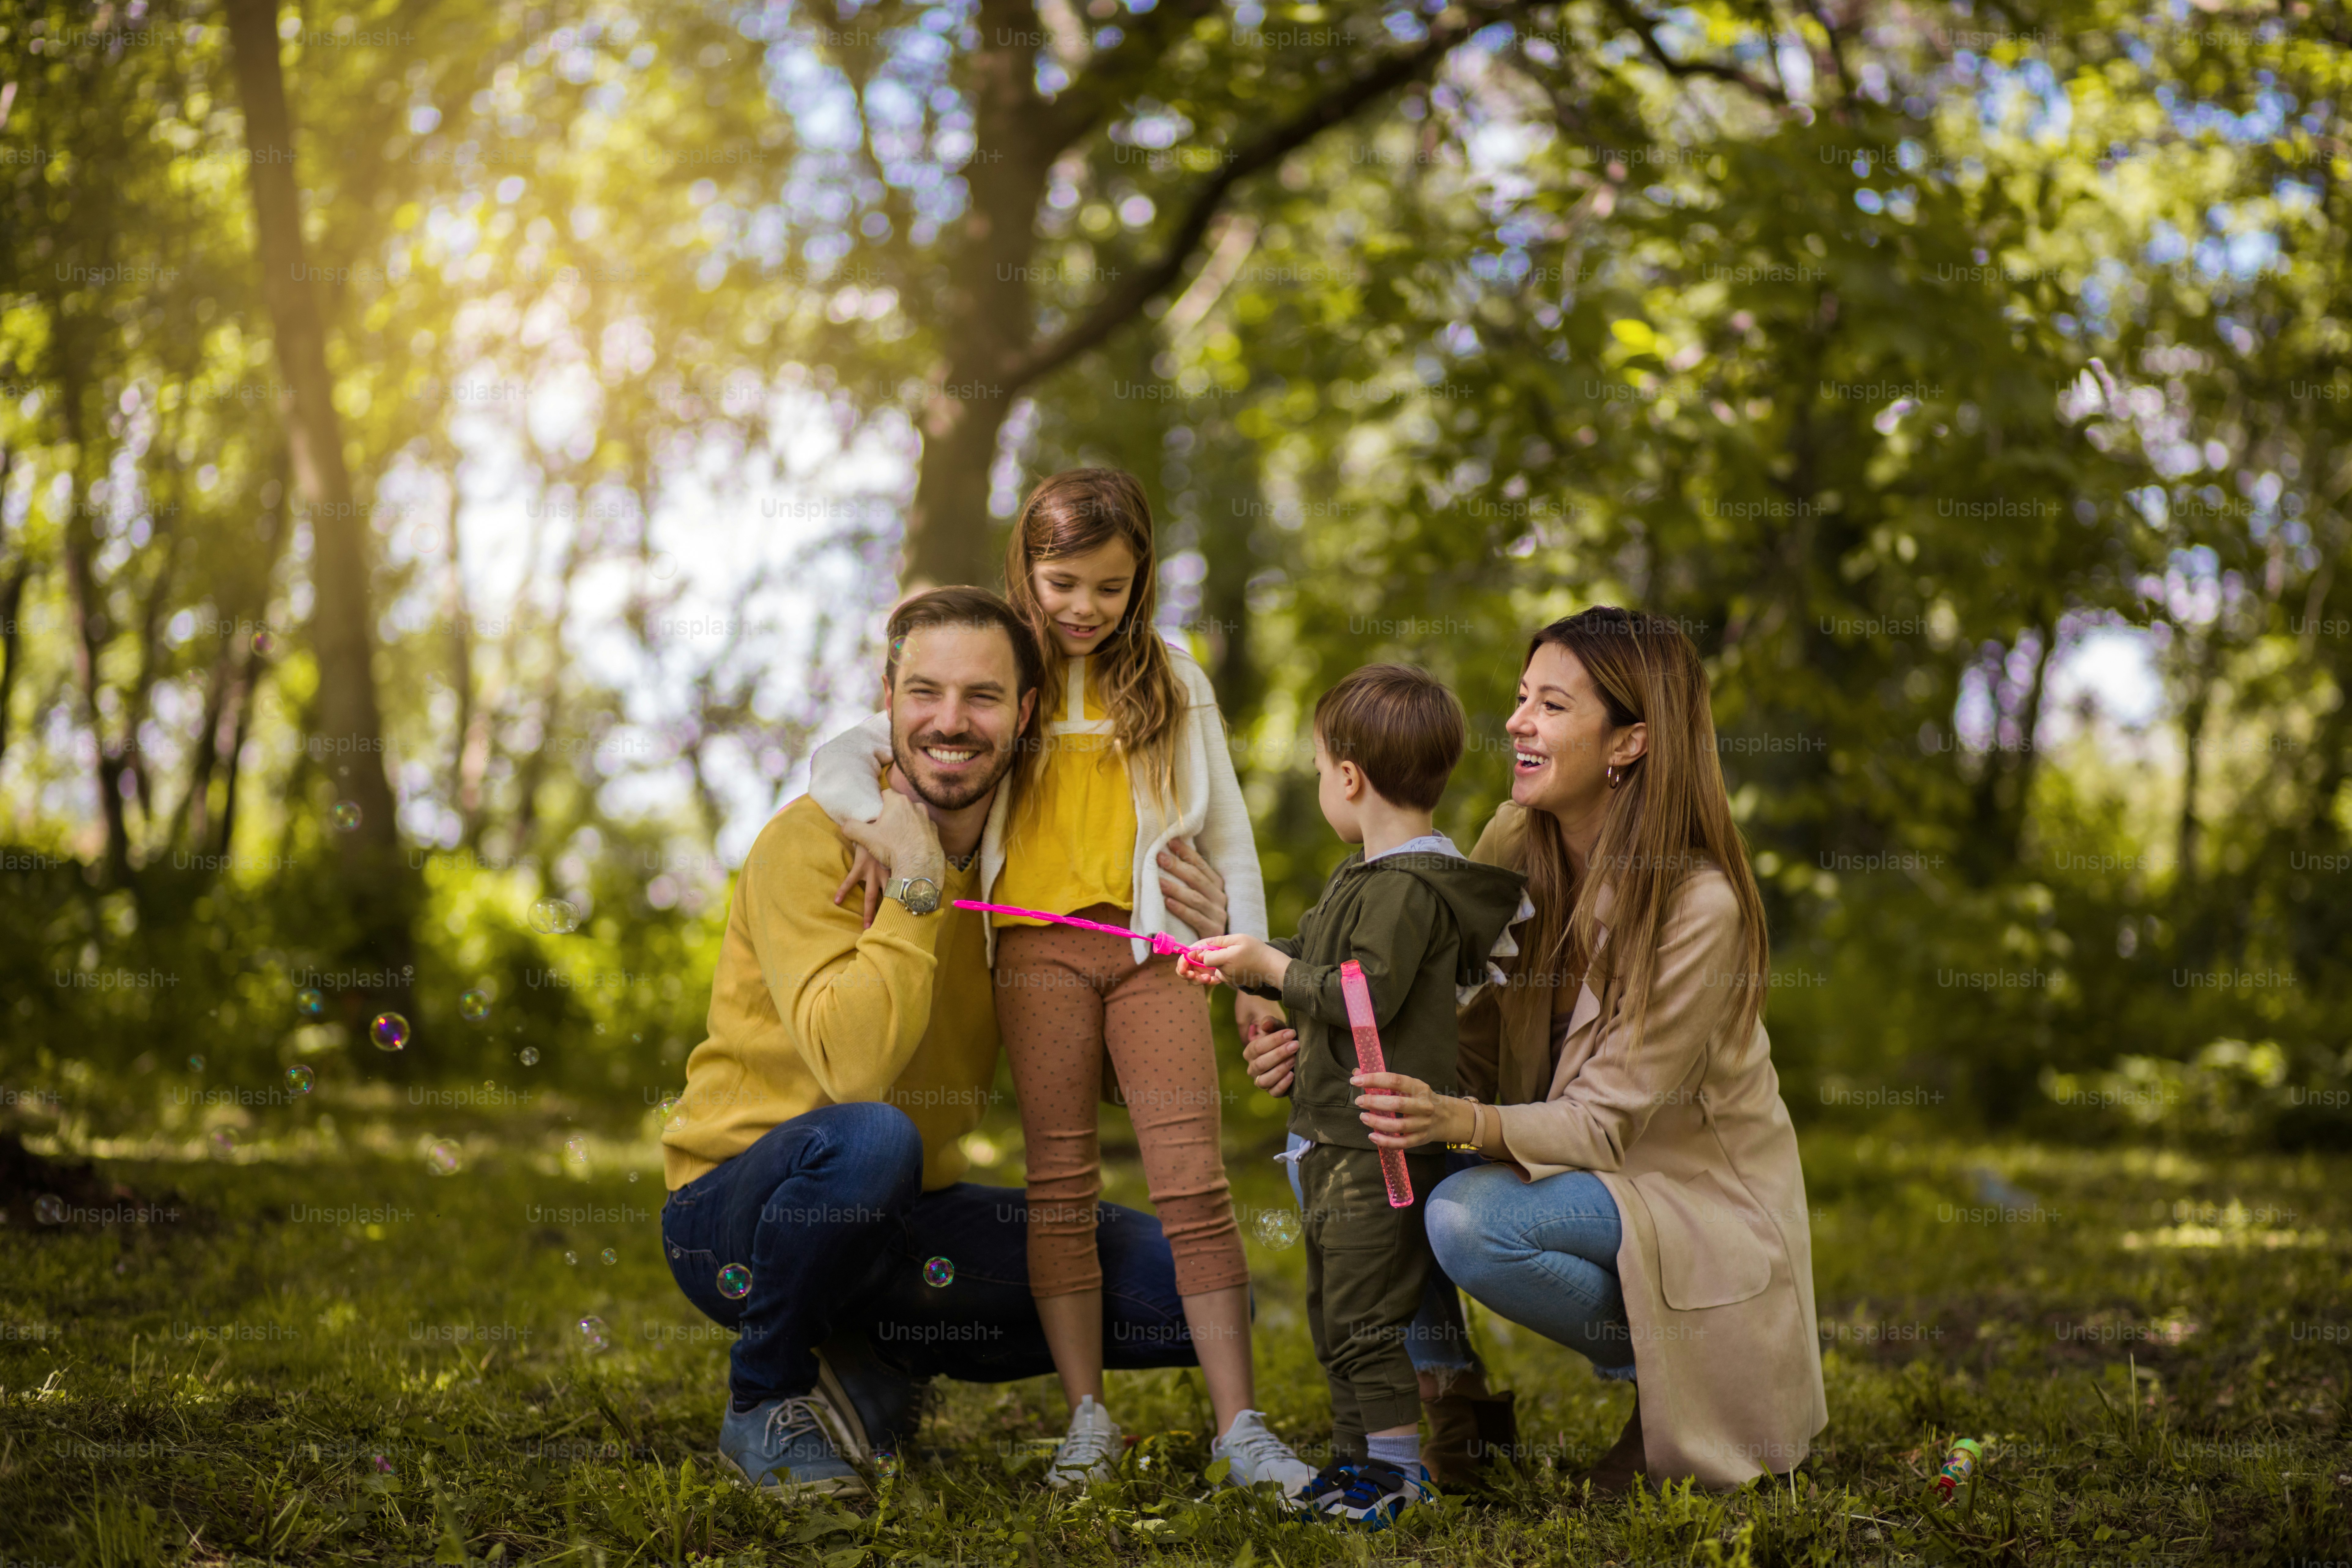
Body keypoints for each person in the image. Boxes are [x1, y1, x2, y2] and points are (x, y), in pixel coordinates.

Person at [658, 586, 1248, 1500]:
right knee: (871, 1139)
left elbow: (1107, 1082)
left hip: (907, 1219)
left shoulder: (1026, 869)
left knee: (1189, 1295)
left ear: (1024, 714)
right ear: (885, 702)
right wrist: (917, 881)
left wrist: (1186, 955)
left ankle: (868, 1365)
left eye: (981, 698)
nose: (950, 722)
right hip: (738, 1210)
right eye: (924, 693)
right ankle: (764, 1397)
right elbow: (854, 1071)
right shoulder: (807, 846)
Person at [806, 470, 1311, 1493]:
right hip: (1033, 958)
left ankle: (1243, 1429)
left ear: (1142, 584)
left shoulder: (1171, 674)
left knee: (1195, 1183)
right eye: (1062, 582)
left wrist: (1252, 969)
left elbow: (1231, 841)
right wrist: (881, 825)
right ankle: (1088, 1418)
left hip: (1155, 955)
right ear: (1025, 573)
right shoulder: (1000, 667)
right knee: (1061, 1188)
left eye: (1110, 587)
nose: (1084, 607)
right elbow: (850, 748)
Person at [1247, 607, 1829, 1493]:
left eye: (1551, 706)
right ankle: (1453, 1402)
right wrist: (1332, 1057)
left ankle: (1674, 1381)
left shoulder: (1698, 905)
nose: (1516, 722)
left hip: (1677, 1192)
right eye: (1522, 698)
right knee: (1334, 1155)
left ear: (1630, 742)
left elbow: (1605, 1125)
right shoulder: (1514, 843)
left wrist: (1460, 1119)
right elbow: (1458, 1037)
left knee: (1470, 1220)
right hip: (1548, 1153)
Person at [1187, 665, 1526, 1523]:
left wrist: (1271, 968)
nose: (1319, 783)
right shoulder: (1363, 878)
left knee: (1370, 1319)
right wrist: (1249, 961)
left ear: (1349, 778)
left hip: (1380, 1148)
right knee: (1336, 1313)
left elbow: (1362, 992)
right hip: (1337, 1137)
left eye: (1316, 769)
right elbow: (1318, 957)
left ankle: (1397, 1473)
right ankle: (1355, 1463)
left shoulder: (1408, 888)